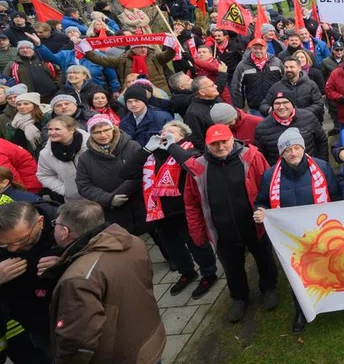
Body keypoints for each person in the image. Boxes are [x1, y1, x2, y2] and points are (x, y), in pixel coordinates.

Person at [166, 124, 277, 323]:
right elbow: (191, 202)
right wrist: (197, 231)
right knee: (231, 266)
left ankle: (269, 288)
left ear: (232, 139)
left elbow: (269, 185)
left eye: (223, 141)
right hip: (221, 228)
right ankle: (239, 297)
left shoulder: (252, 157)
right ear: (207, 145)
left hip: (254, 224)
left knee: (264, 258)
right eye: (214, 144)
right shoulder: (198, 166)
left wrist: (270, 213)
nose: (220, 147)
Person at [47, 199, 165, 363]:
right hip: (150, 339)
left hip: (123, 356)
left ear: (64, 231)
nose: (54, 227)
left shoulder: (79, 278)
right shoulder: (132, 241)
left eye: (56, 224)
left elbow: (78, 339)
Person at [253, 128, 340, 334]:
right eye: (288, 150)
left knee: (329, 268)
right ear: (281, 154)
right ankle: (301, 310)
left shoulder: (322, 168)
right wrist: (260, 212)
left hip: (321, 231)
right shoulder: (269, 176)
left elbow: (336, 197)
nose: (293, 153)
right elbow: (262, 201)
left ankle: (331, 302)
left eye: (297, 147)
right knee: (297, 274)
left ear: (303, 147)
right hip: (290, 238)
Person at [125, 121, 219, 300]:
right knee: (173, 247)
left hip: (184, 210)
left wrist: (172, 147)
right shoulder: (152, 156)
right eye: (163, 131)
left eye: (172, 132)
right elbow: (126, 172)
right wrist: (146, 149)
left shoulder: (190, 150)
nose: (165, 134)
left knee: (196, 244)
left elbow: (193, 167)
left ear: (182, 136)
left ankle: (209, 273)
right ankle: (187, 272)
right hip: (159, 212)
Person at [0, 199, 61, 360]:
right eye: (4, 245)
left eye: (21, 241)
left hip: (67, 321)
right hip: (28, 325)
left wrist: (66, 261)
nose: (13, 249)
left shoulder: (66, 227)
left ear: (40, 222)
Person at [75, 115, 143, 234]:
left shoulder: (132, 146)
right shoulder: (85, 158)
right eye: (97, 132)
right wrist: (109, 199)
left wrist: (121, 192)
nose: (102, 135)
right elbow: (84, 185)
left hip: (140, 204)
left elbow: (141, 172)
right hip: (112, 211)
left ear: (113, 128)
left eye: (106, 130)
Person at [254, 93, 328, 165]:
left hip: (309, 167)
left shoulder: (308, 118)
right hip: (280, 172)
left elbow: (321, 141)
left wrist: (322, 163)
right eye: (277, 103)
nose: (281, 107)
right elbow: (260, 154)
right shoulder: (262, 127)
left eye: (285, 102)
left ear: (292, 104)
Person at [81, 38, 177, 94]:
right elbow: (100, 60)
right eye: (140, 47)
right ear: (133, 49)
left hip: (159, 91)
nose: (143, 49)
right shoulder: (122, 60)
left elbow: (169, 54)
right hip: (134, 93)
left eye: (145, 47)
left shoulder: (155, 57)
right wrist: (86, 49)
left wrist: (171, 44)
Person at [37, 116, 88, 202]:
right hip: (75, 201)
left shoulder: (90, 146)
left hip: (99, 196)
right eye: (50, 129)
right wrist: (65, 190)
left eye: (57, 129)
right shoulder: (46, 153)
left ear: (71, 130)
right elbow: (44, 175)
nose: (52, 132)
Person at [230, 39, 284, 115]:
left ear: (266, 48)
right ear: (251, 49)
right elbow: (236, 88)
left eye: (260, 48)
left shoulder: (276, 62)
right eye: (255, 48)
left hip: (276, 105)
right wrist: (239, 108)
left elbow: (284, 82)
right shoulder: (243, 65)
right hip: (255, 107)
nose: (258, 51)